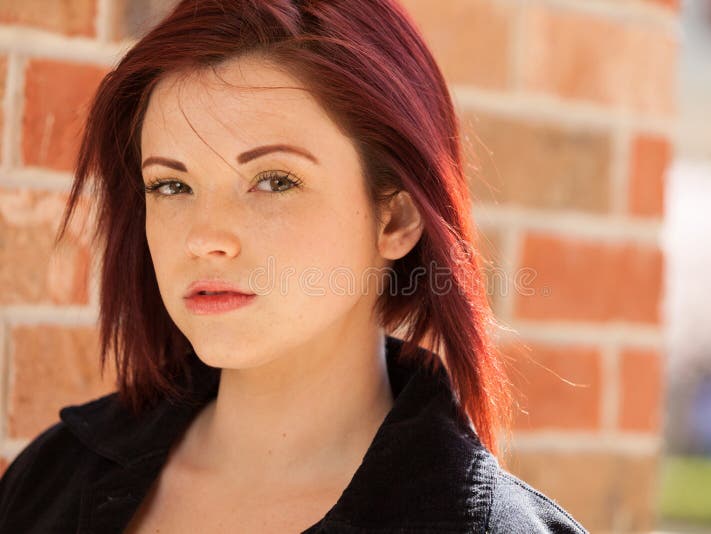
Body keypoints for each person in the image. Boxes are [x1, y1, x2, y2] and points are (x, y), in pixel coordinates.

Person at [0, 1, 588, 532]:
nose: (205, 239)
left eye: (275, 181)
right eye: (172, 184)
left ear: (396, 220)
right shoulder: (53, 478)